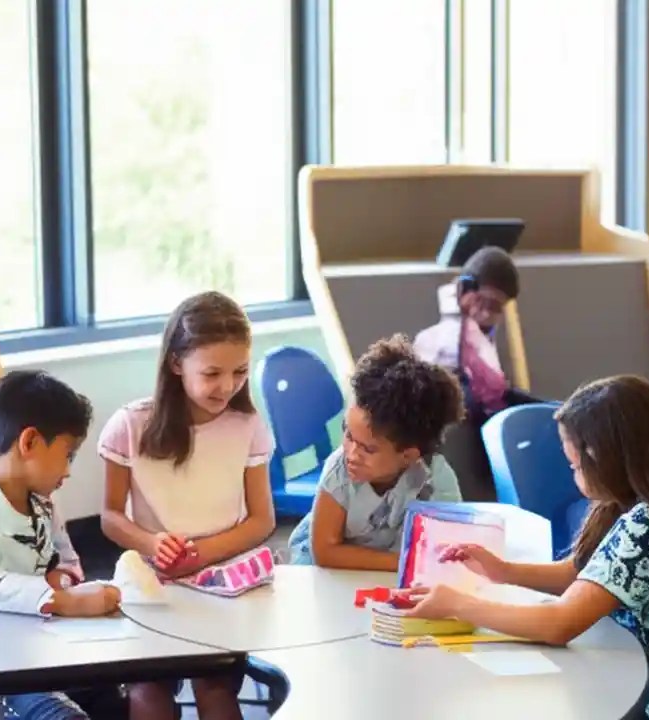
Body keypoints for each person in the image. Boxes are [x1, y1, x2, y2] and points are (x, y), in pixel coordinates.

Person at [404, 375, 649, 719]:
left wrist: (459, 604)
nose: (573, 474)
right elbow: (583, 575)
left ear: (603, 457)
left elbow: (560, 624)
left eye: (575, 465)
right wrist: (504, 571)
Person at [98, 291, 275, 720]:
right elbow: (110, 516)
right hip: (153, 579)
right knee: (148, 690)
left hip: (221, 578)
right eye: (212, 373)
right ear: (176, 363)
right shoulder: (130, 425)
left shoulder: (247, 425)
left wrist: (202, 553)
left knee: (215, 688)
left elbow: (262, 519)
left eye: (240, 372)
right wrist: (152, 543)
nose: (227, 386)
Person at [0, 370, 125, 719]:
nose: (68, 471)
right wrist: (66, 601)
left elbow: (68, 559)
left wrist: (65, 579)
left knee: (118, 701)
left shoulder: (44, 505)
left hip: (48, 649)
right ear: (29, 442)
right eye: (68, 455)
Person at [288, 335, 465, 570]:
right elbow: (325, 552)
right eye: (348, 434)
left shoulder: (435, 479)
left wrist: (416, 562)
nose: (351, 454)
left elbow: (442, 549)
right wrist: (406, 562)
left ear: (409, 456)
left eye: (368, 449)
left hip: (387, 566)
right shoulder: (340, 469)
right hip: (326, 568)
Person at [414, 246, 538, 423]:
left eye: (496, 307)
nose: (487, 314)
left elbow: (498, 394)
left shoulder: (482, 341)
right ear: (463, 289)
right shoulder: (439, 341)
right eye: (483, 302)